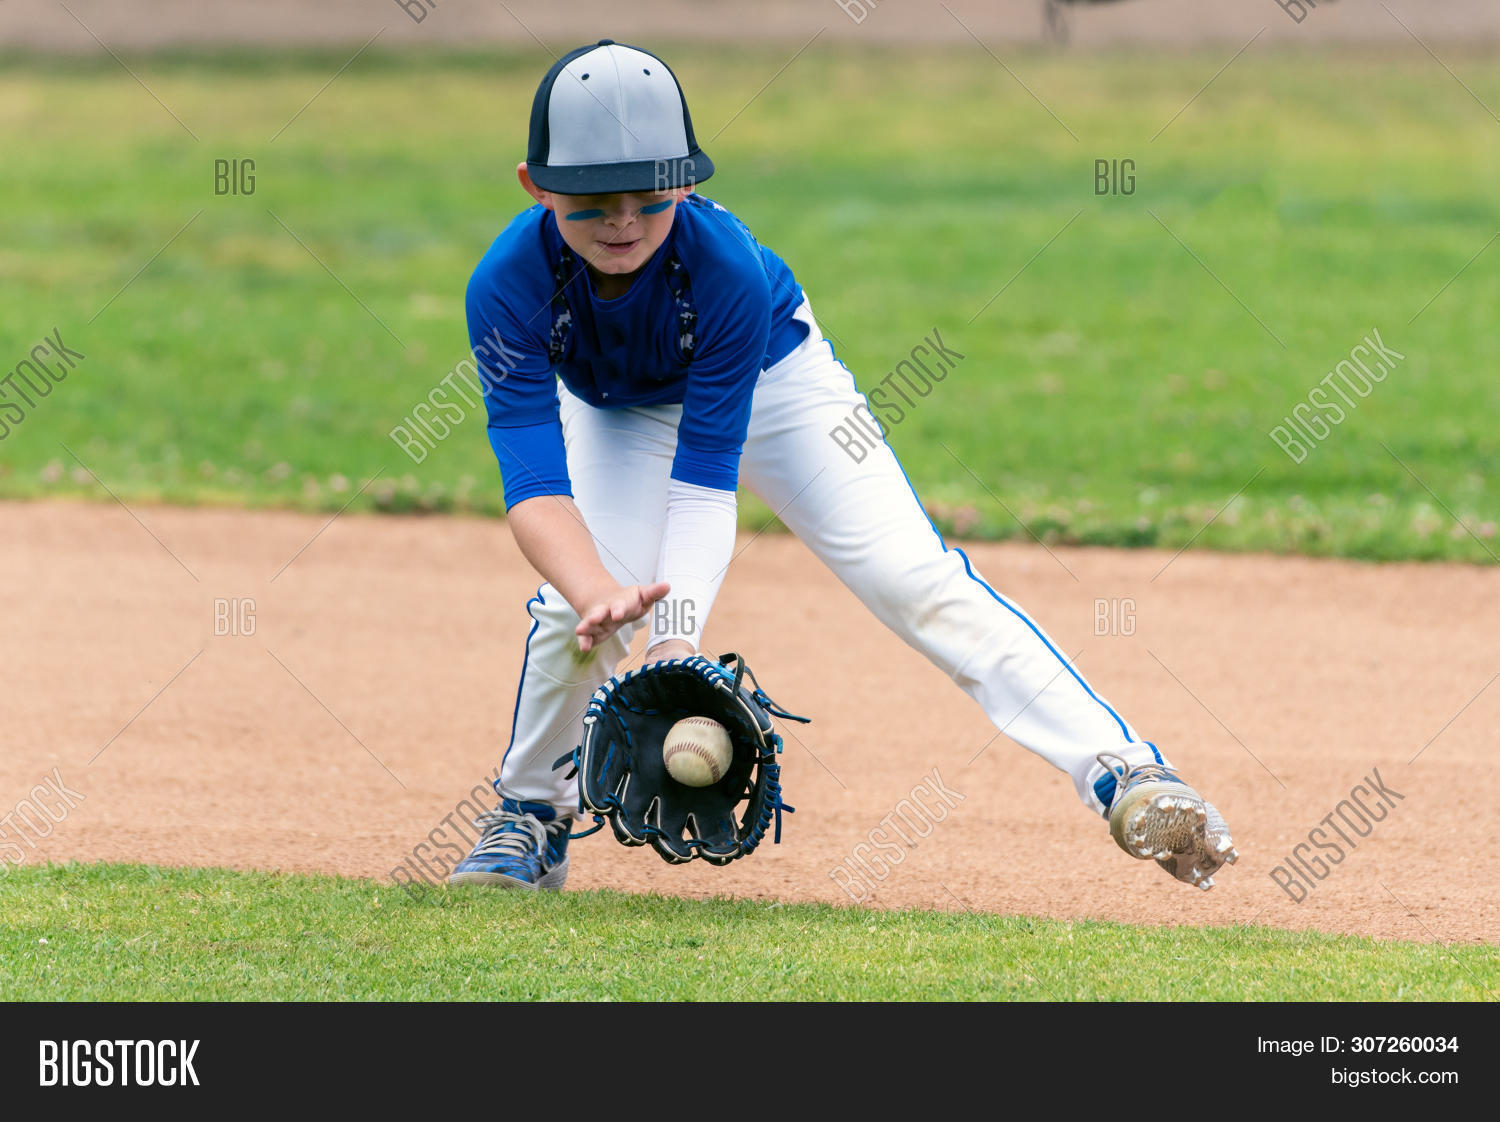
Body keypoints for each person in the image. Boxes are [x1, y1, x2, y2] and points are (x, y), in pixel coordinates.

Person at [450, 40, 1236, 892]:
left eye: (653, 193)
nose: (625, 220)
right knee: (573, 615)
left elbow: (707, 481)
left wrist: (675, 641)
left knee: (912, 579)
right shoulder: (506, 285)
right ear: (536, 186)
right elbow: (535, 489)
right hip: (618, 414)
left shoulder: (723, 273)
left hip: (775, 381)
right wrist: (600, 593)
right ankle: (530, 815)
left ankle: (1125, 774)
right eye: (595, 198)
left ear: (689, 183)